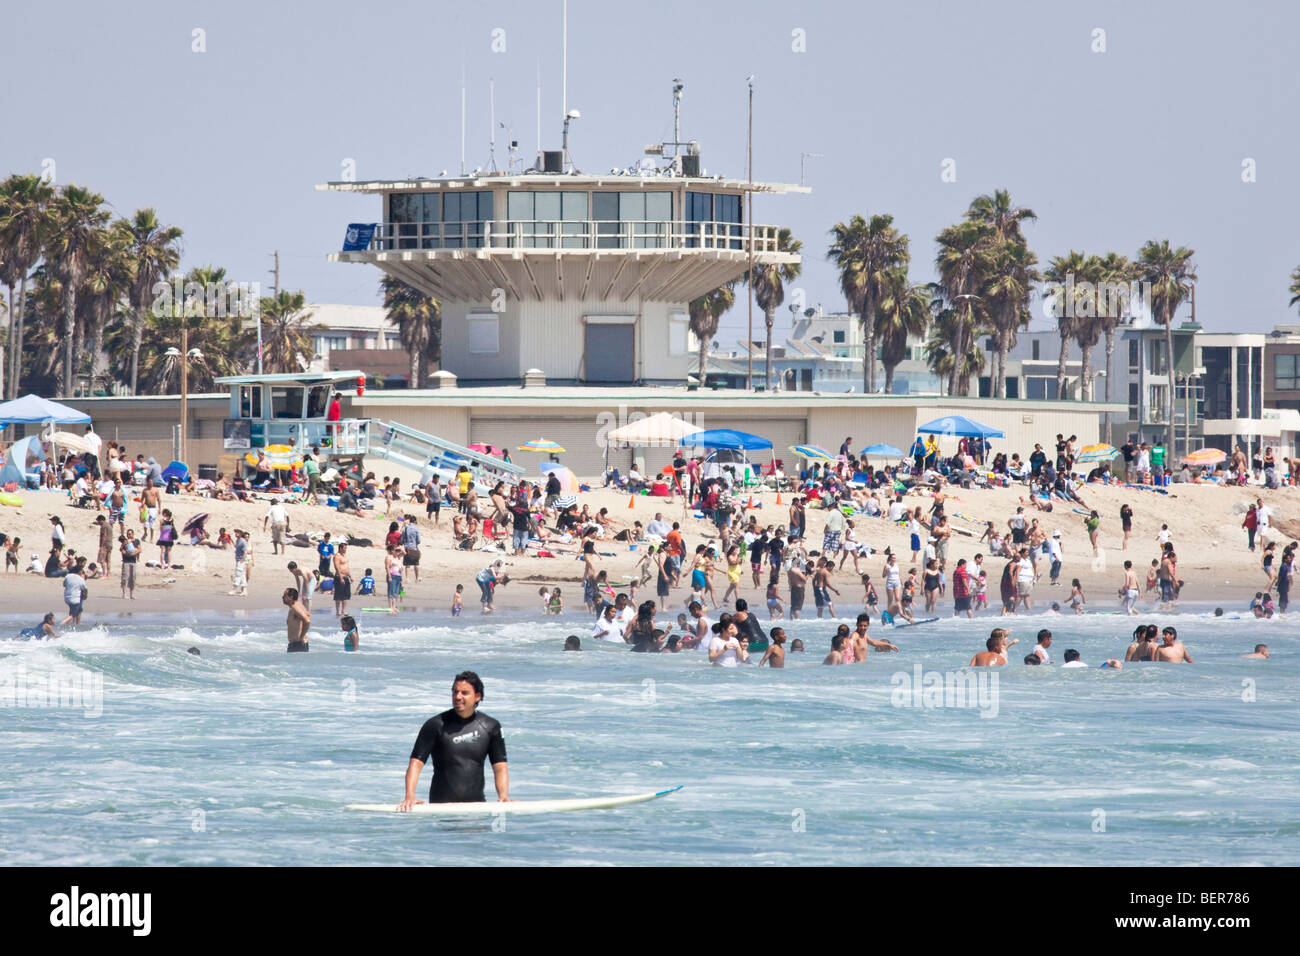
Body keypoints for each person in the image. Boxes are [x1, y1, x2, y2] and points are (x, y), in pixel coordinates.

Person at [400, 672, 508, 809]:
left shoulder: (490, 726)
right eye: (455, 692)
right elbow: (416, 763)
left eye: (464, 693)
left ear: (477, 696)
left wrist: (503, 797)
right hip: (441, 809)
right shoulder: (435, 725)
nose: (458, 697)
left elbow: (500, 766)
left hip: (476, 809)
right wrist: (409, 796)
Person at [284, 587, 311, 652]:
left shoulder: (295, 607)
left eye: (285, 596)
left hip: (298, 644)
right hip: (296, 644)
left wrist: (302, 636)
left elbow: (307, 620)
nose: (283, 598)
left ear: (291, 597)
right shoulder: (296, 606)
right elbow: (308, 615)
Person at [333, 542, 353, 616]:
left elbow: (347, 568)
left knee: (346, 595)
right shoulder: (337, 556)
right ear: (340, 548)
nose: (345, 550)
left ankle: (344, 611)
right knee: (338, 595)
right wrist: (341, 578)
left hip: (346, 576)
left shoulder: (345, 556)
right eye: (344, 548)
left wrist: (350, 577)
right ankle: (338, 611)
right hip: (339, 577)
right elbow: (337, 567)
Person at [120, 530, 139, 599]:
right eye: (127, 534)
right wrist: (126, 553)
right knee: (125, 577)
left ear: (133, 534)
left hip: (133, 561)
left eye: (130, 534)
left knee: (132, 578)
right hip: (126, 561)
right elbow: (121, 549)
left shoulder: (136, 541)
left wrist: (133, 553)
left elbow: (139, 549)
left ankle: (132, 594)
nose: (129, 535)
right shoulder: (125, 542)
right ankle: (124, 594)